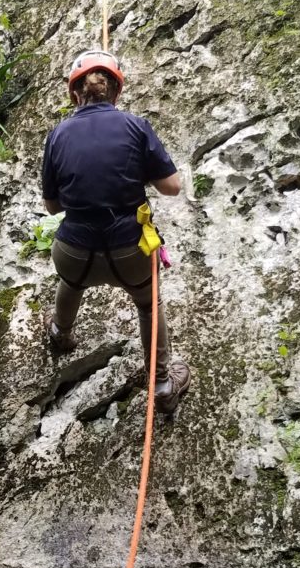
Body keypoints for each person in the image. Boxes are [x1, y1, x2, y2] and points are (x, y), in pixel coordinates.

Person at [41, 50, 191, 413]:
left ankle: (61, 332)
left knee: (71, 282)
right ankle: (163, 384)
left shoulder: (57, 135)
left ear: (75, 93)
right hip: (129, 250)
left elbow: (52, 206)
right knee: (148, 304)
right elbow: (172, 187)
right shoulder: (135, 126)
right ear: (116, 92)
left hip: (75, 250)